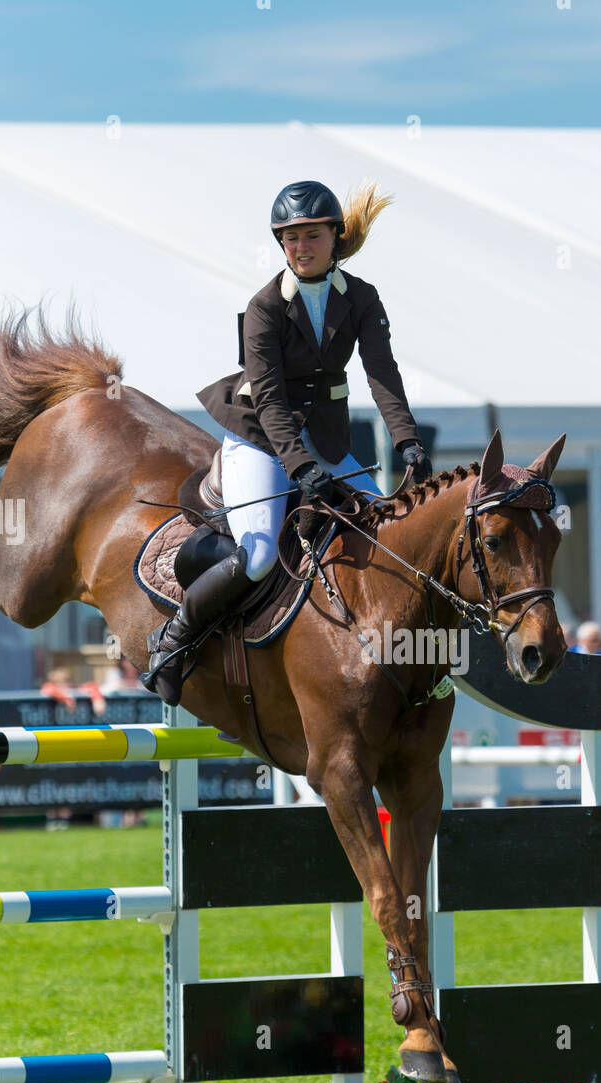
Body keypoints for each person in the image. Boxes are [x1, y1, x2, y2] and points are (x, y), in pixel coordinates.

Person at [141, 179, 431, 705]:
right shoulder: (264, 307)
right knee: (255, 555)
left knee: (390, 532)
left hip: (325, 437)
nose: (300, 247)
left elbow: (382, 374)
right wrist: (299, 465)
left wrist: (408, 441)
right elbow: (271, 402)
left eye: (311, 235)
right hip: (260, 438)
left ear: (334, 238)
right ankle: (174, 638)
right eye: (291, 237)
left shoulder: (362, 298)